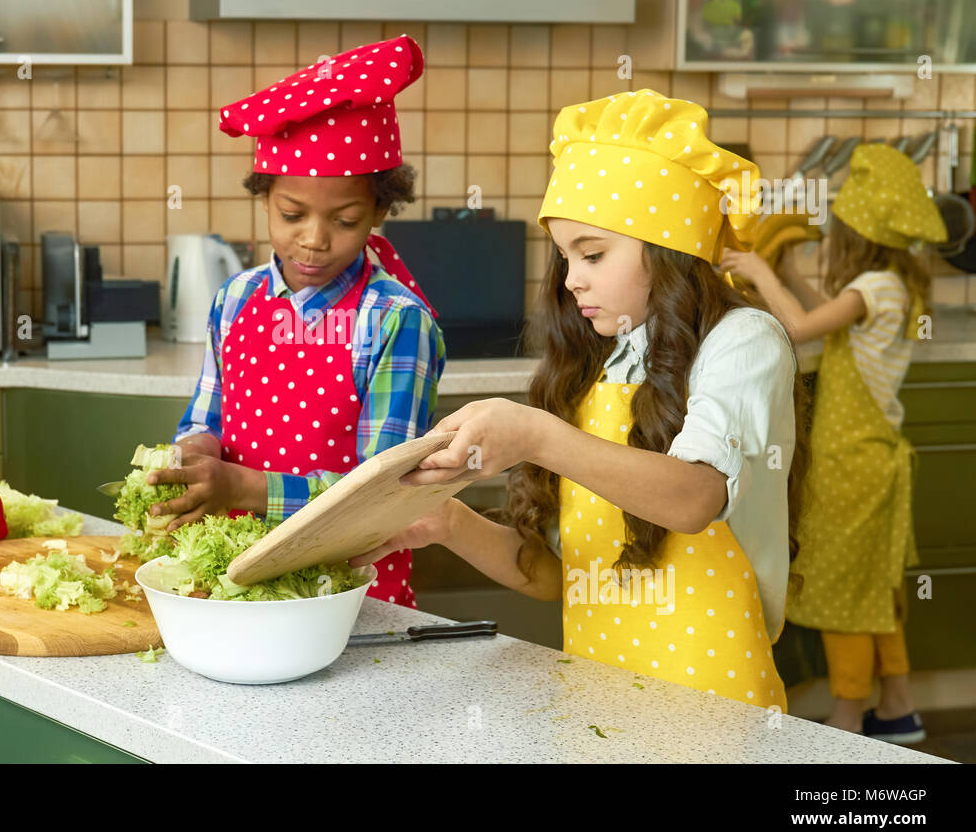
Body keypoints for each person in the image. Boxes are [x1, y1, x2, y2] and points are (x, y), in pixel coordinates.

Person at [355, 89, 806, 709]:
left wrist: (536, 434)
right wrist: (449, 522)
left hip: (713, 704)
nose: (572, 279)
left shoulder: (742, 342)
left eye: (592, 253)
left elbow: (693, 498)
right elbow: (553, 576)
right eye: (565, 256)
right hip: (599, 702)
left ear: (668, 249)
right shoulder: (599, 364)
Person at [148, 35, 446, 609]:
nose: (313, 240)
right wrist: (190, 457)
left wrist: (243, 487)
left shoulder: (394, 322)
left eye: (345, 219)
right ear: (265, 198)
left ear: (380, 211)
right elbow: (206, 419)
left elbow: (381, 498)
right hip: (235, 583)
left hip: (350, 598)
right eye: (291, 214)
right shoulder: (234, 299)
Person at [720, 142, 946, 743]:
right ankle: (897, 707)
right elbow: (826, 316)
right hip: (868, 457)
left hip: (855, 465)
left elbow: (797, 327)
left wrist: (759, 268)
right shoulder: (890, 285)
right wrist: (788, 273)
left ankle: (847, 719)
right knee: (876, 590)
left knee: (845, 593)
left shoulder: (874, 285)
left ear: (857, 234)